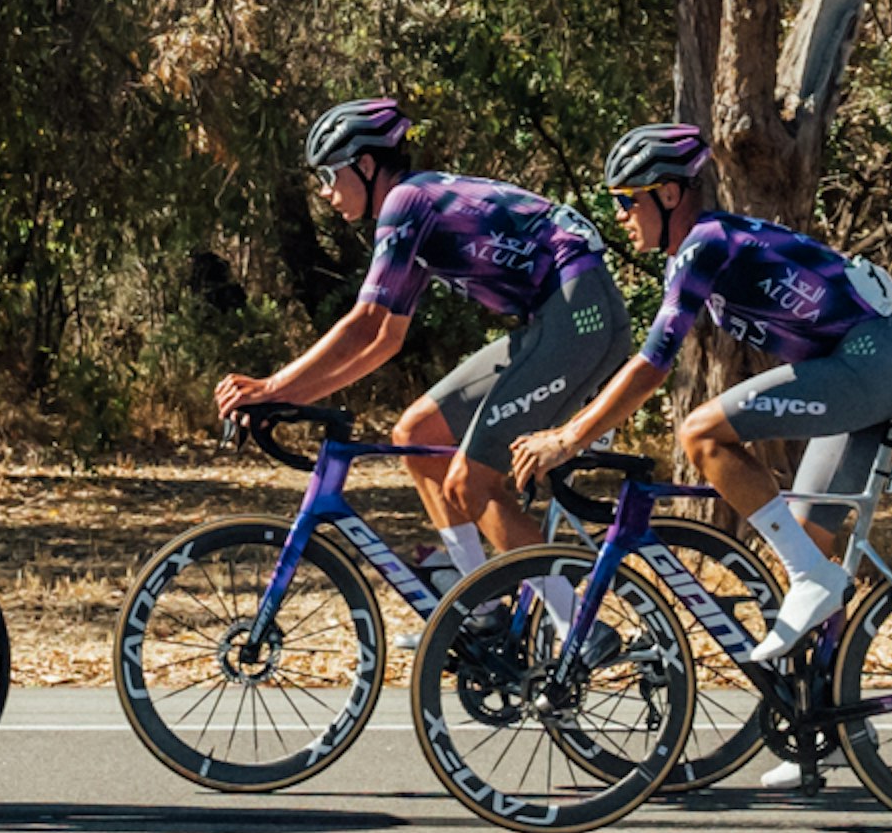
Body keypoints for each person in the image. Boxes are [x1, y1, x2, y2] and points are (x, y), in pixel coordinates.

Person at [511, 124, 892, 675]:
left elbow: (652, 366)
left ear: (667, 195)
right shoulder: (696, 252)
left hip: (873, 361)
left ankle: (814, 580)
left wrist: (569, 437)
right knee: (806, 546)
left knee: (702, 432)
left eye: (625, 200)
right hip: (866, 361)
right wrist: (588, 427)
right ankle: (828, 732)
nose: (618, 216)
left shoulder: (704, 245)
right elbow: (644, 362)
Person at [203, 98, 628, 590]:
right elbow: (386, 340)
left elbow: (364, 324)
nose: (323, 192)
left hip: (580, 313)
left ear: (364, 165)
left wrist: (273, 387)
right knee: (417, 432)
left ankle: (579, 628)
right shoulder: (419, 214)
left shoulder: (406, 202)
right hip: (556, 317)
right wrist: (288, 398)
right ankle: (478, 606)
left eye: (328, 176)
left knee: (471, 482)